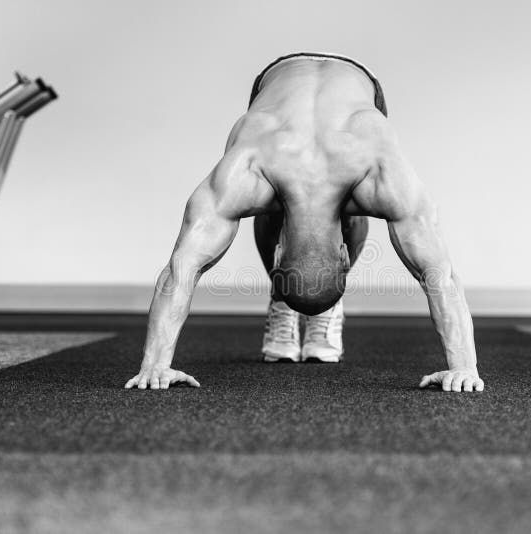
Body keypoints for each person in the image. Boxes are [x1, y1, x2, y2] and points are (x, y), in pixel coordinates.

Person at [124, 53, 484, 393]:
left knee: (324, 202)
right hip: (309, 97)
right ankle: (283, 301)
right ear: (344, 255)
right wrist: (463, 366)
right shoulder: (379, 175)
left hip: (320, 94)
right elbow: (438, 272)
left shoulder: (246, 173)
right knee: (283, 201)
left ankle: (314, 304)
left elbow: (182, 266)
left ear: (277, 253)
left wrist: (156, 364)